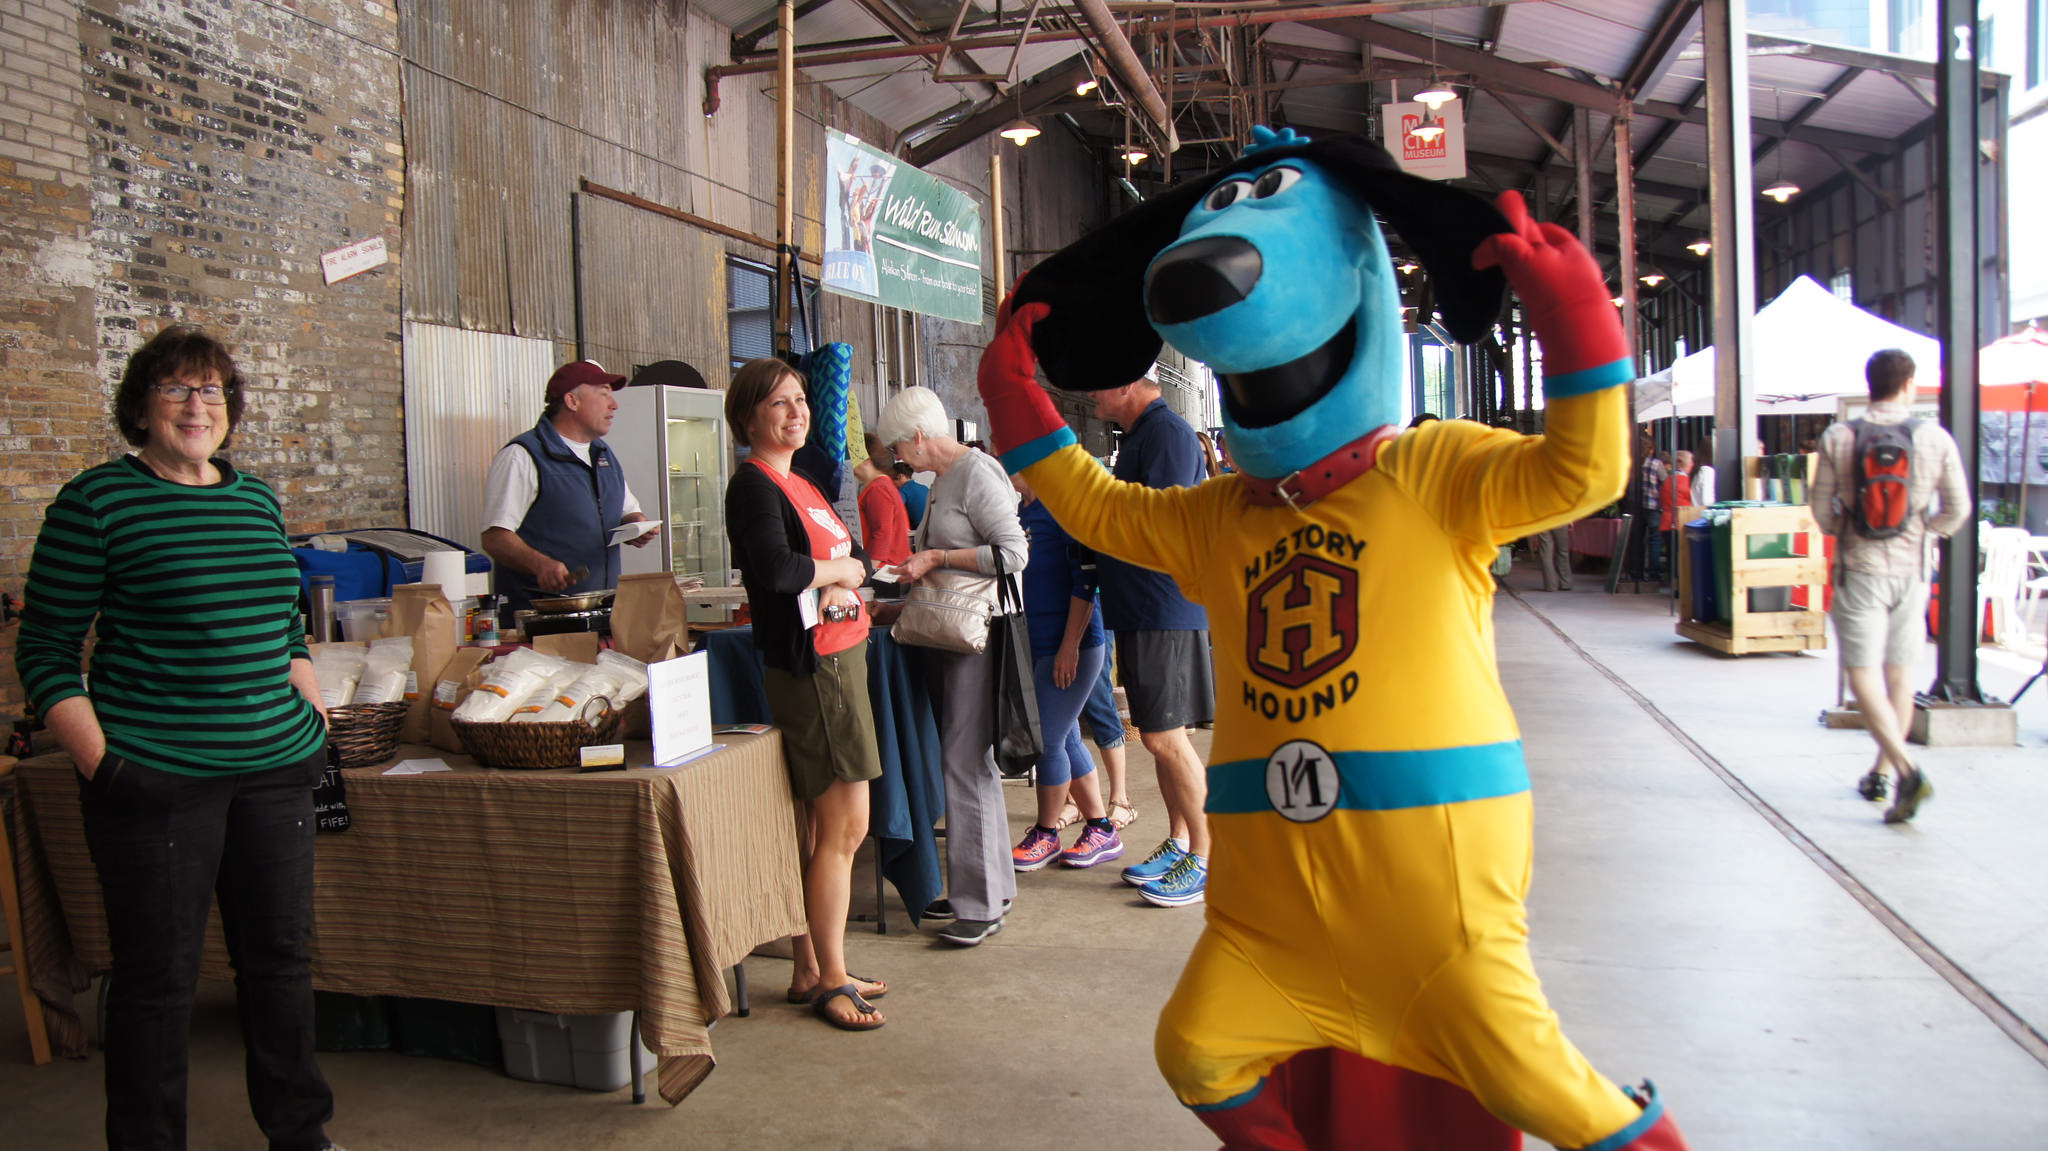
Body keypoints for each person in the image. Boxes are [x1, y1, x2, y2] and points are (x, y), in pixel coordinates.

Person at [16, 326, 343, 1151]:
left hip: (274, 771)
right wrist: (107, 765)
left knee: (280, 964)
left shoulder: (255, 498)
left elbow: (284, 631)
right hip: (155, 780)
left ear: (230, 409)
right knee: (157, 983)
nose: (196, 406)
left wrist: (312, 725)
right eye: (175, 389)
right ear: (141, 406)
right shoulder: (95, 503)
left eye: (211, 391)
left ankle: (300, 1134)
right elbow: (46, 650)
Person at [723, 359, 890, 1030]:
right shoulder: (754, 485)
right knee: (847, 825)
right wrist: (844, 568)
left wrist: (844, 577)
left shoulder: (804, 482)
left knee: (824, 826)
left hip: (841, 658)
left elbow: (821, 569)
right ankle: (833, 977)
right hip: (814, 669)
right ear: (749, 418)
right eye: (778, 404)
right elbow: (777, 569)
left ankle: (811, 966)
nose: (796, 411)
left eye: (799, 400)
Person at [878, 386, 1029, 947]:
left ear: (918, 437)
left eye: (899, 447)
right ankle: (989, 888)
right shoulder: (944, 480)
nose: (898, 458)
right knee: (970, 763)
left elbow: (1014, 553)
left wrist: (938, 558)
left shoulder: (975, 474)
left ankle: (980, 902)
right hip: (951, 635)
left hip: (975, 637)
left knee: (962, 763)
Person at [1808, 348, 1969, 823]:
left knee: (1861, 674)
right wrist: (1925, 531)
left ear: (1870, 384)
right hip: (1912, 572)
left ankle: (1905, 768)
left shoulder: (1839, 437)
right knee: (1899, 675)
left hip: (1859, 569)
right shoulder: (1935, 438)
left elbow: (1821, 513)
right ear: (1909, 384)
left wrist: (1850, 528)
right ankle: (1884, 776)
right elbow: (1958, 509)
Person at [1090, 371, 1215, 909]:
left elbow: (1156, 523)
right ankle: (1182, 841)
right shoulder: (1142, 435)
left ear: (1124, 384)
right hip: (1143, 609)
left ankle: (1209, 858)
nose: (1090, 393)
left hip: (1163, 607)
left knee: (1167, 738)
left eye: (1096, 382)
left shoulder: (1166, 433)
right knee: (1160, 736)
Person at [480, 359, 657, 620]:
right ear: (572, 401)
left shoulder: (603, 455)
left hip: (601, 615)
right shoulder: (522, 456)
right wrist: (540, 564)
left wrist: (637, 526)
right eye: (604, 394)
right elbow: (495, 537)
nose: (614, 405)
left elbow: (626, 511)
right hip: (541, 623)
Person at [1009, 471, 1124, 873]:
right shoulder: (1020, 511)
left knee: (1049, 740)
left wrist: (1070, 646)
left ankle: (1047, 833)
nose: (1002, 462)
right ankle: (1101, 828)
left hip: (1072, 644)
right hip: (1037, 642)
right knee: (1067, 734)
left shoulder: (1063, 509)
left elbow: (1086, 582)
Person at [853, 431, 911, 566]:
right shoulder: (881, 485)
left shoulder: (878, 489)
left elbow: (882, 533)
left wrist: (869, 569)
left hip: (884, 570)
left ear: (866, 459)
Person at [891, 459, 930, 529]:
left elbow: (894, 509)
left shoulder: (903, 490)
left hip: (919, 530)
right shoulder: (925, 488)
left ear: (900, 476)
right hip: (932, 527)